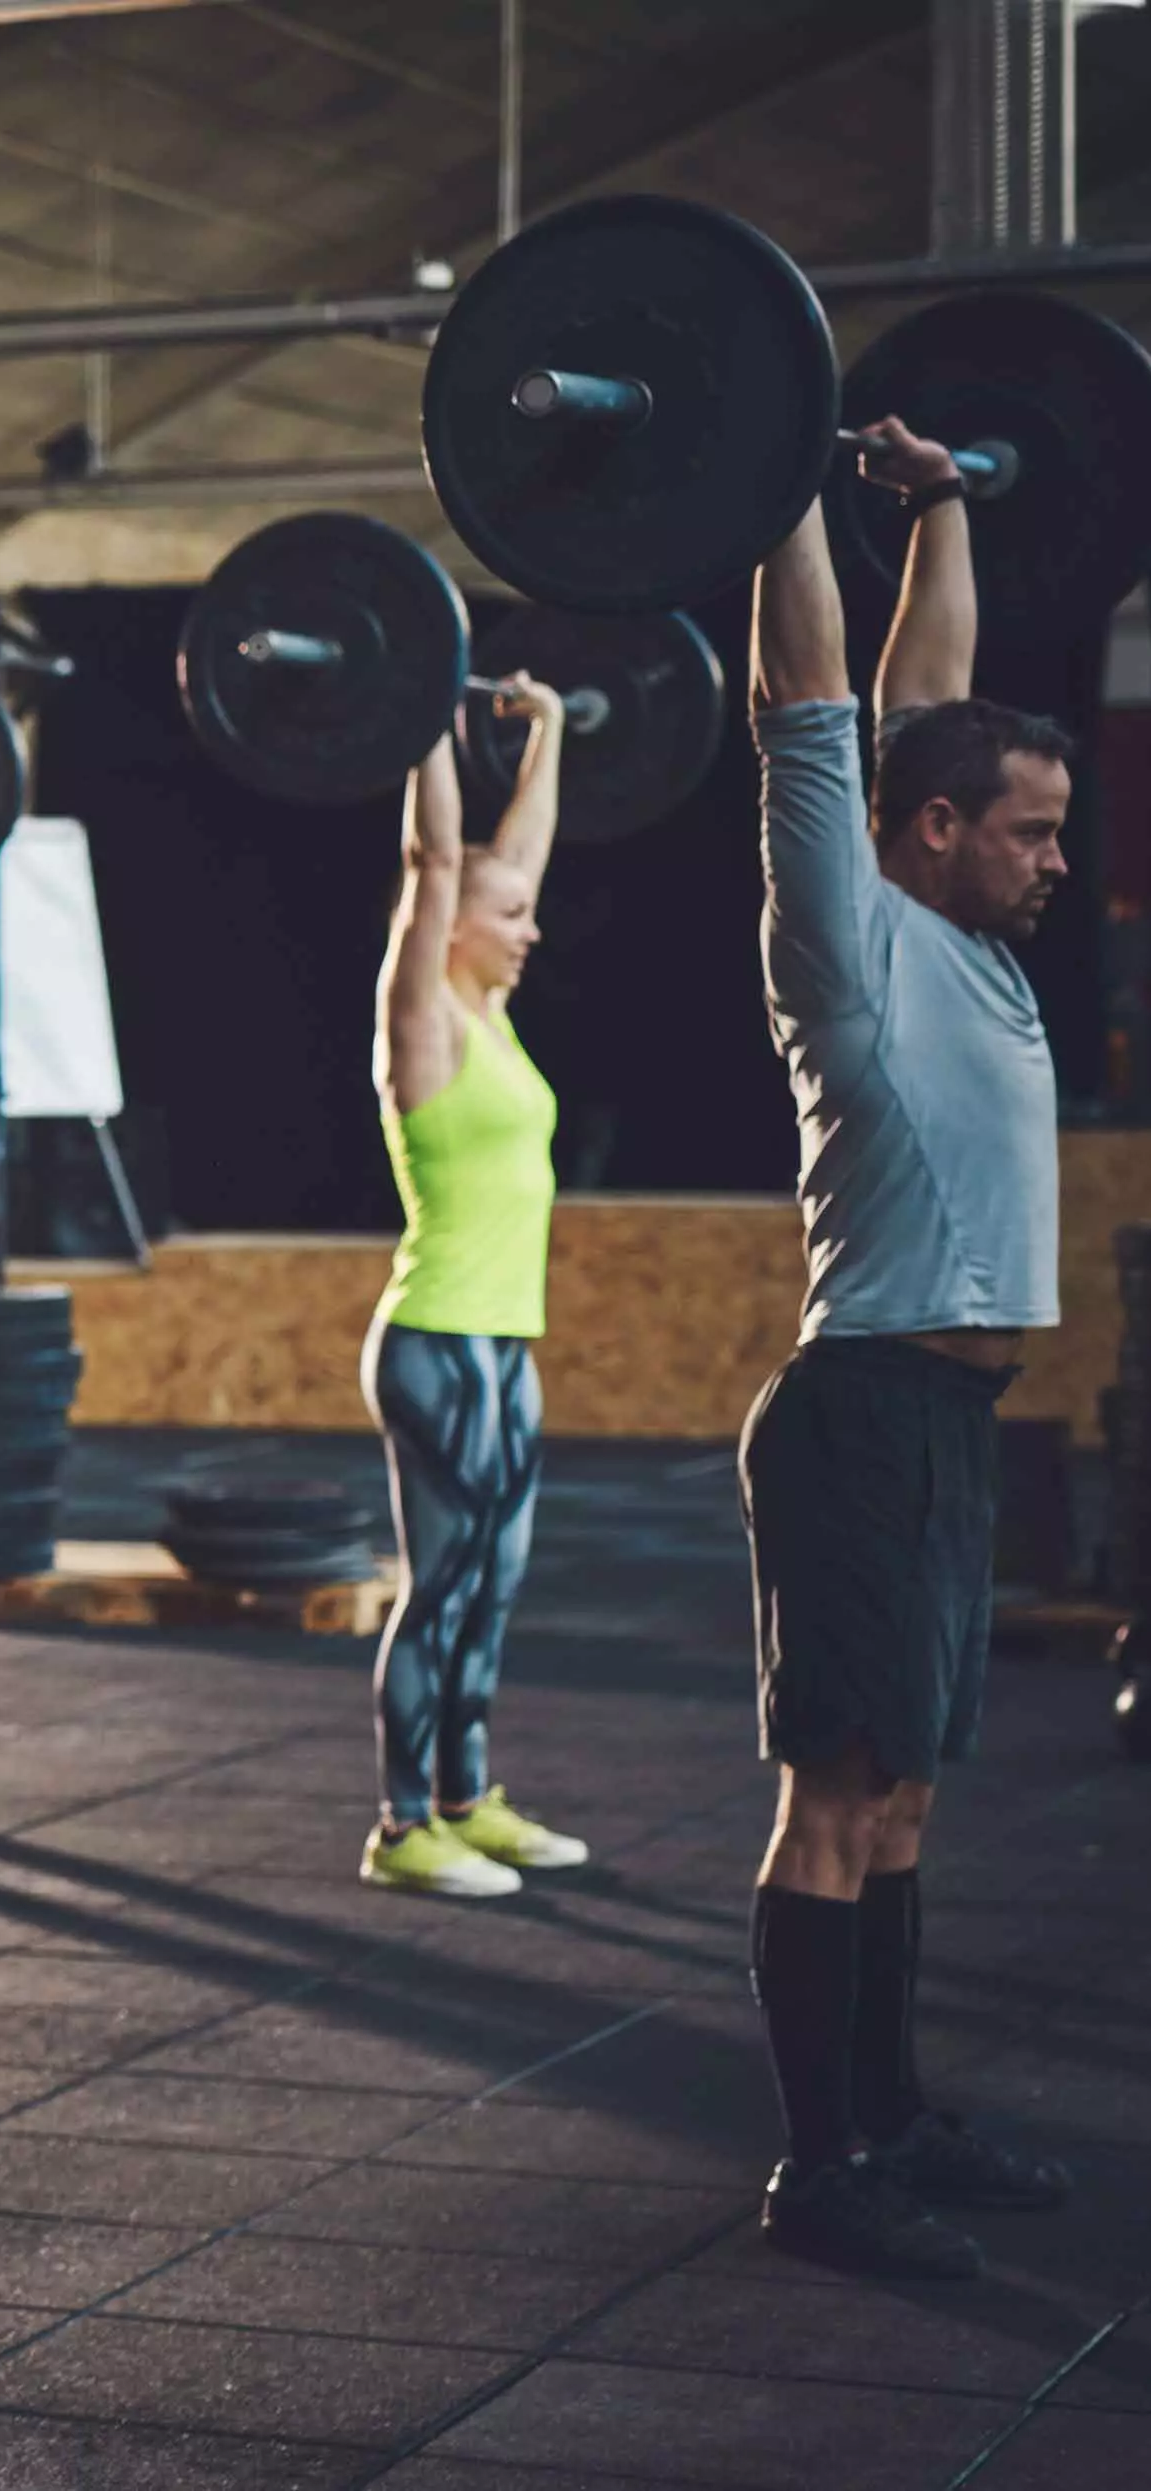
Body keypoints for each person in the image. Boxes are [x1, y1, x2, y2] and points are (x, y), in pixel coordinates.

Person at [738, 418, 1079, 2279]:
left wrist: (937, 498)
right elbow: (817, 697)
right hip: (861, 1407)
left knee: (910, 1791)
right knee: (836, 1793)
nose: (1052, 858)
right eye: (1026, 831)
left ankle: (891, 2115)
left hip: (948, 1423)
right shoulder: (849, 932)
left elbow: (919, 699)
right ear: (933, 836)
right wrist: (763, 474)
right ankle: (820, 2164)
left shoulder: (970, 937)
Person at [358, 691, 597, 1899]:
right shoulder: (426, 1024)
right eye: (506, 915)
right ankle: (403, 1825)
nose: (528, 927)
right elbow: (435, 857)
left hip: (505, 1339)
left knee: (495, 1584)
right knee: (441, 1583)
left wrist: (547, 731)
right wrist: (417, 709)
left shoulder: (493, 1014)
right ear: (449, 925)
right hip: (439, 1335)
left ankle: (468, 1797)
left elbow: (520, 851)